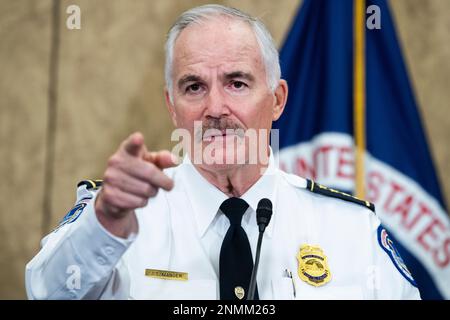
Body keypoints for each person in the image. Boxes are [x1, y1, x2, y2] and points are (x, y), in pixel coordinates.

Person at [25, 4, 420, 300]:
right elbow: (46, 292)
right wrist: (107, 219)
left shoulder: (350, 229)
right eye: (194, 87)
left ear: (278, 99)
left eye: (236, 83)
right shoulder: (118, 215)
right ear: (171, 105)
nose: (214, 108)